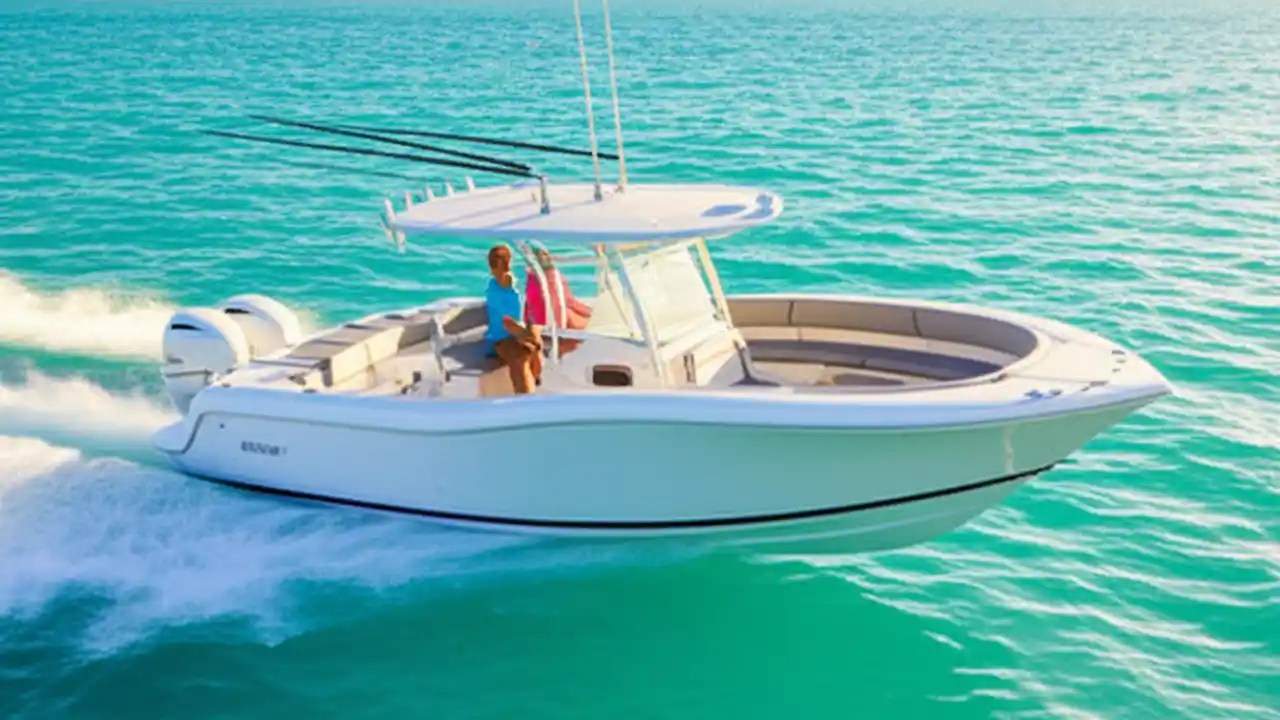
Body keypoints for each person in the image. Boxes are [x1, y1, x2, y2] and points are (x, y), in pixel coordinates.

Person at [484, 244, 542, 394]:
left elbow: (529, 311)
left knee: (533, 338)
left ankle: (536, 379)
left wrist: (531, 334)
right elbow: (507, 323)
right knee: (519, 356)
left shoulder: (518, 285)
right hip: (500, 338)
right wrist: (528, 337)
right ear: (493, 269)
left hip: (519, 331)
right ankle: (527, 400)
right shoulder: (494, 291)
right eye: (500, 266)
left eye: (506, 263)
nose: (505, 269)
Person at [524, 244, 592, 330]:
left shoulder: (531, 276)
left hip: (538, 321)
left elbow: (529, 304)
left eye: (547, 254)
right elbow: (568, 302)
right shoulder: (552, 275)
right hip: (557, 321)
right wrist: (590, 312)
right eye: (544, 254)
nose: (549, 257)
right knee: (577, 314)